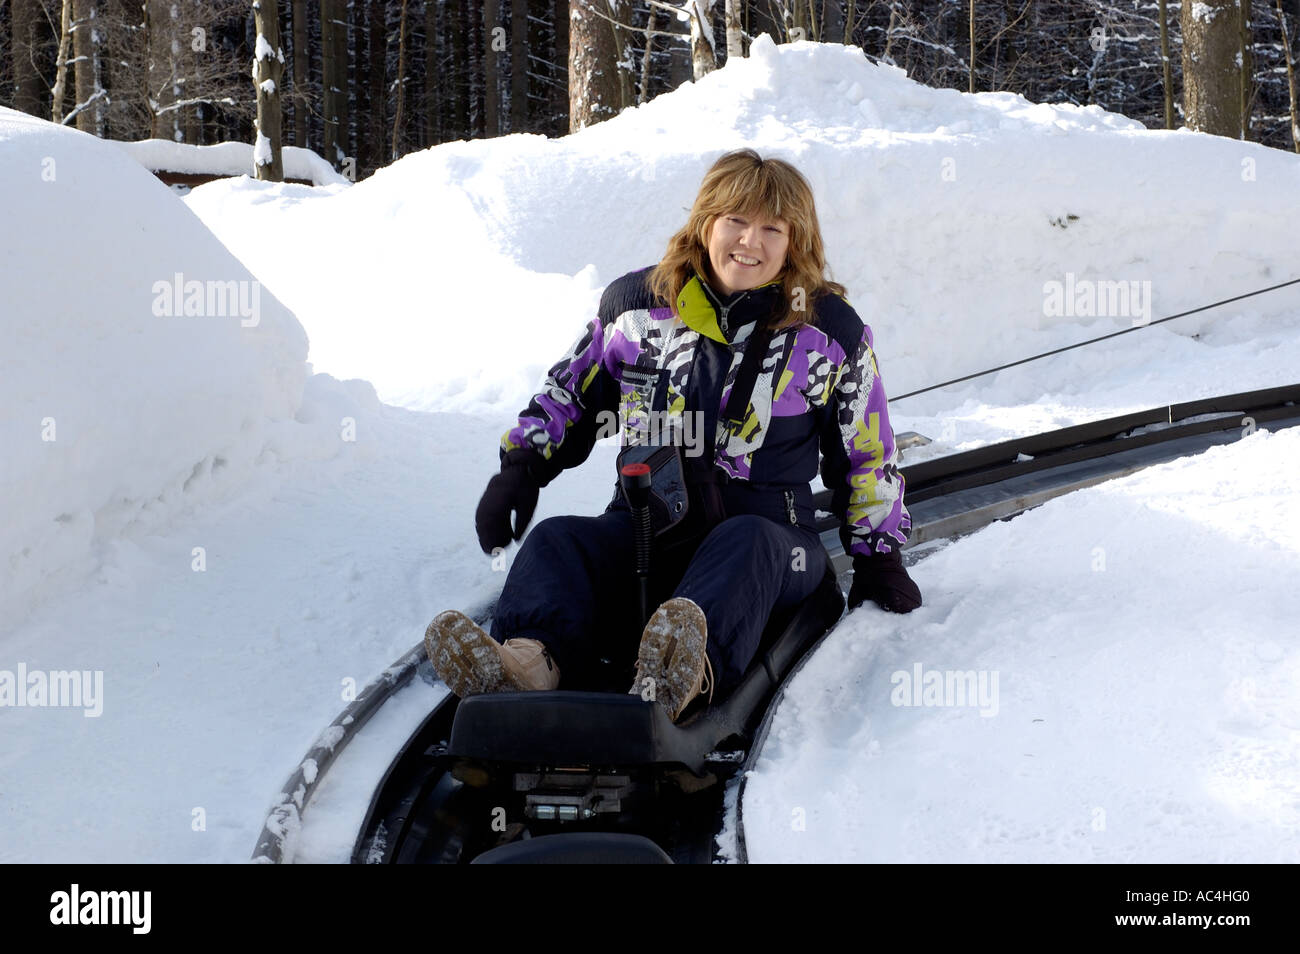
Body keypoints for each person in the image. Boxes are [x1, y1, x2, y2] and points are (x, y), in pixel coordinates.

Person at [425, 148, 921, 723]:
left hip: (774, 546)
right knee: (559, 541)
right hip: (645, 530)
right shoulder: (636, 308)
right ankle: (528, 666)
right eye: (734, 220)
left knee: (746, 545)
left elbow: (866, 455)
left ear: (796, 241)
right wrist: (521, 470)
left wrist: (878, 557)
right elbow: (571, 392)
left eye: (772, 228)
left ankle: (682, 674)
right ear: (705, 223)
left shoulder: (826, 332)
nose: (749, 242)